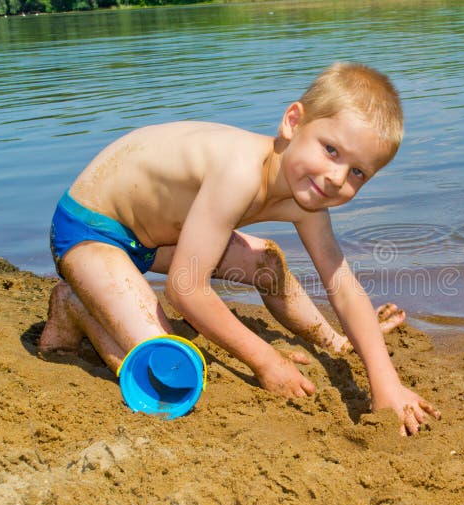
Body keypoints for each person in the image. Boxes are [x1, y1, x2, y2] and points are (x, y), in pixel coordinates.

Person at [38, 62, 440, 435]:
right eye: (331, 150)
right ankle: (77, 304)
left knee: (266, 262)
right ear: (293, 122)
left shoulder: (309, 198)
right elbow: (186, 289)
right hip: (91, 233)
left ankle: (332, 342)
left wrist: (384, 380)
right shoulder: (239, 171)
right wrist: (267, 361)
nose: (336, 177)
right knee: (170, 371)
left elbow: (341, 283)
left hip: (152, 242)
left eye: (357, 172)